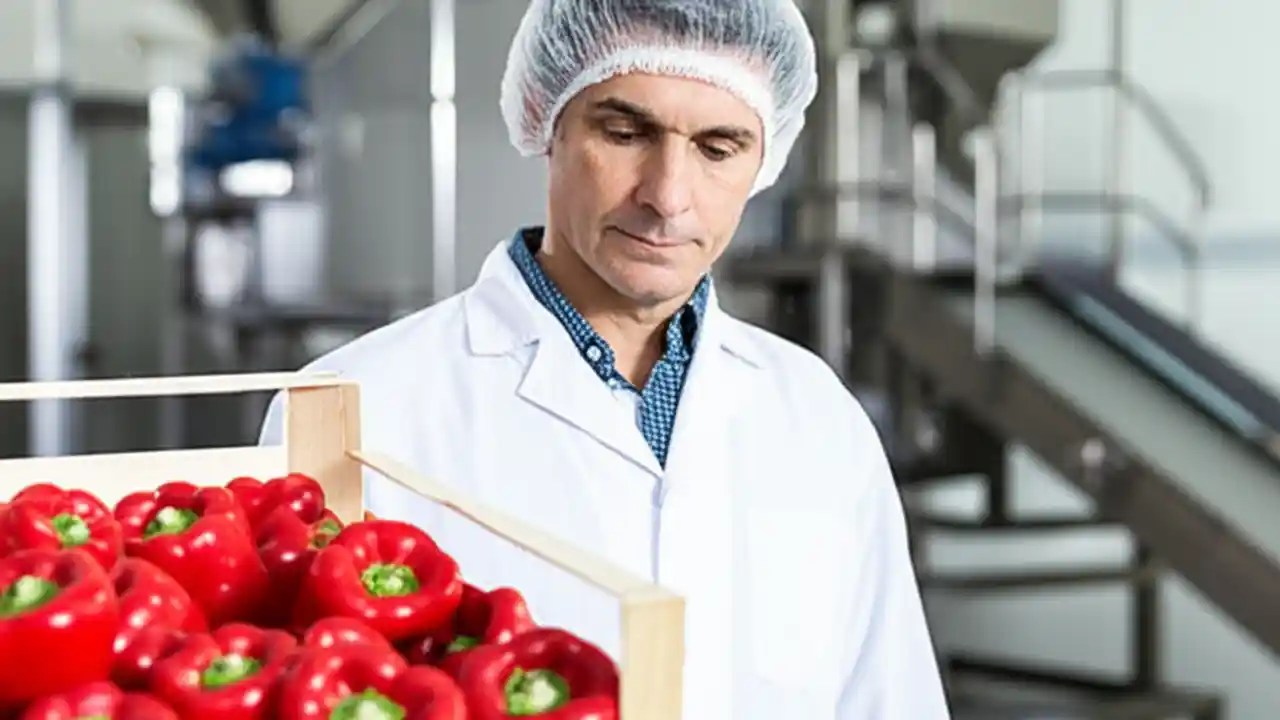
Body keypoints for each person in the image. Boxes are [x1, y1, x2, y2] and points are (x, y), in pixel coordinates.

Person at [259, 0, 949, 717]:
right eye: (624, 132)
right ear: (543, 117)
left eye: (719, 149)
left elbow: (889, 698)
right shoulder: (357, 409)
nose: (668, 197)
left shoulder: (816, 415)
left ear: (764, 158)